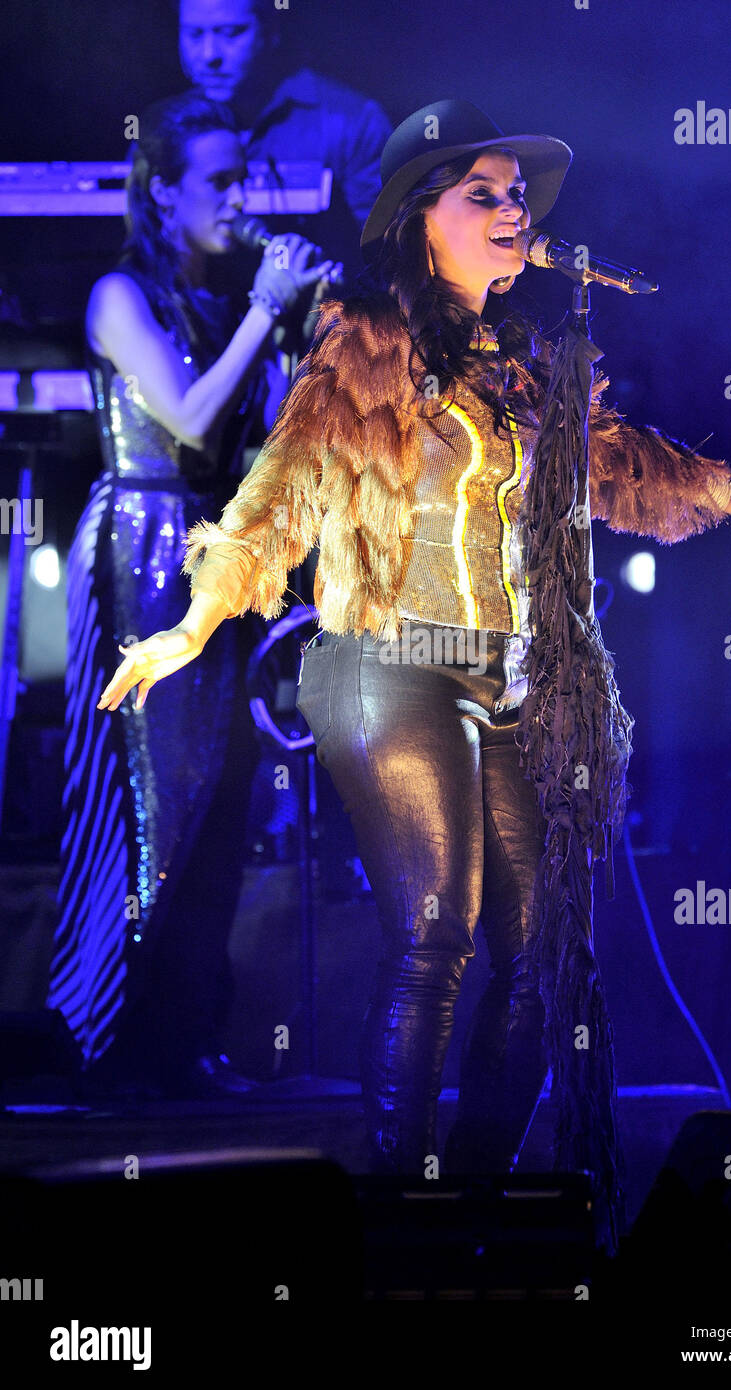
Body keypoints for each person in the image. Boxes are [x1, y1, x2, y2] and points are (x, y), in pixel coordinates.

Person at [95, 100, 731, 1244]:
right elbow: (285, 483)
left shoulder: (523, 362)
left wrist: (702, 485)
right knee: (439, 927)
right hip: (383, 663)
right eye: (486, 193)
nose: (514, 212)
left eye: (520, 196)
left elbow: (602, 465)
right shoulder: (362, 336)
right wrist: (196, 619)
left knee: (541, 956)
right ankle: (394, 1203)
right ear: (424, 214)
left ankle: (470, 1198)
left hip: (507, 677)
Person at [48, 92, 334, 1101]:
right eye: (215, 181)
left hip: (219, 555)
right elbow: (191, 428)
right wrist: (265, 307)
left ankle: (185, 1037)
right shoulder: (119, 296)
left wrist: (303, 332)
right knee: (153, 798)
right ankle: (111, 1041)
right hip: (141, 548)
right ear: (163, 193)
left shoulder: (219, 304)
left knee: (219, 798)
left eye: (241, 178)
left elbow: (257, 449)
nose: (234, 199)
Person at [177, 0, 392, 276]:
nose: (209, 55)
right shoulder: (165, 130)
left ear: (271, 30)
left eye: (231, 33)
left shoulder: (351, 121)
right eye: (194, 34)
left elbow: (385, 257)